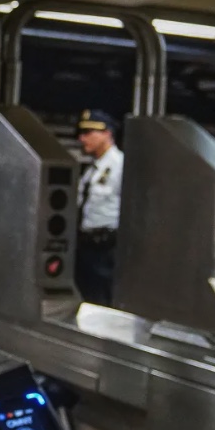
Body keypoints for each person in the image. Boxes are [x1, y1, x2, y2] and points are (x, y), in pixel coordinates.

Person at [74, 108, 123, 304]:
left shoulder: (120, 166)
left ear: (107, 133)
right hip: (86, 245)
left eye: (88, 133)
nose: (82, 139)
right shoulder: (92, 170)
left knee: (104, 301)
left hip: (107, 247)